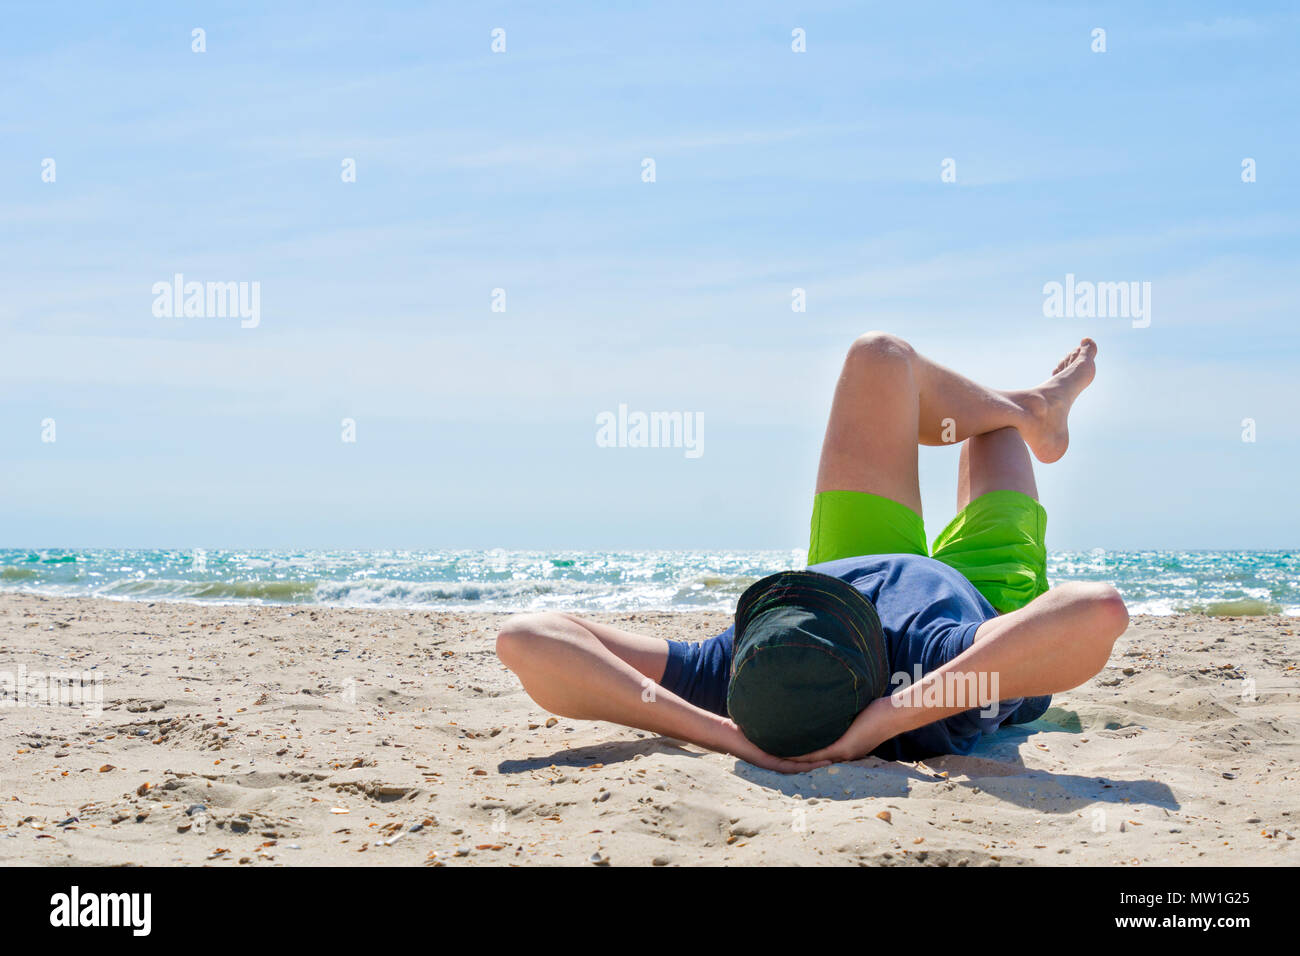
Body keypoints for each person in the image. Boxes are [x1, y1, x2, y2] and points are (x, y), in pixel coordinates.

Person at [495, 333, 1128, 774]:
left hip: (852, 560)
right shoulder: (937, 672)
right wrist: (885, 720)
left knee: (877, 357)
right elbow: (1096, 613)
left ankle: (1032, 406)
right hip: (982, 605)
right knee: (992, 434)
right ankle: (1034, 412)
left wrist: (721, 735)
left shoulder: (737, 679)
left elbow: (526, 639)